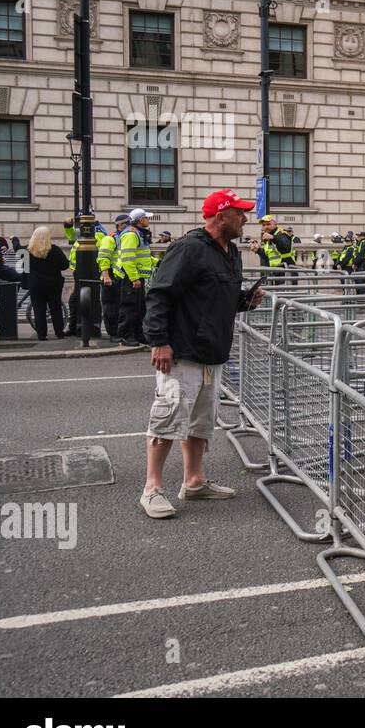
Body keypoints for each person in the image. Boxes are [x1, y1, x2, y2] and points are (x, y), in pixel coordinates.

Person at [139, 189, 266, 519]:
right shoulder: (189, 248)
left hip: (212, 351)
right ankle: (152, 488)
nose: (245, 218)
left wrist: (244, 301)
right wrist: (159, 341)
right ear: (220, 216)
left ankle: (194, 481)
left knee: (200, 422)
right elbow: (159, 295)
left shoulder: (230, 252)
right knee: (167, 419)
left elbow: (216, 297)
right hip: (182, 351)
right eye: (239, 213)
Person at [25, 226, 70, 340]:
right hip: (53, 284)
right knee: (56, 308)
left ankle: (41, 335)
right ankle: (59, 333)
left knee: (38, 309)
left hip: (35, 284)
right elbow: (65, 265)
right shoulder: (55, 250)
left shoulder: (28, 251)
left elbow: (24, 268)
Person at [117, 209, 154, 346]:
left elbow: (142, 257)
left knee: (138, 307)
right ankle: (125, 336)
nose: (148, 220)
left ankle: (138, 335)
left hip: (136, 276)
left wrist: (159, 262)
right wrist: (134, 278)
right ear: (140, 220)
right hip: (130, 277)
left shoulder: (138, 234)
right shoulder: (131, 234)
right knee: (129, 307)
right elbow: (128, 259)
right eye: (146, 218)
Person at [98, 213, 129, 342]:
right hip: (110, 276)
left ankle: (120, 332)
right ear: (121, 225)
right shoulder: (109, 239)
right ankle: (113, 334)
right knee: (111, 308)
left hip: (120, 276)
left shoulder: (125, 238)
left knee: (121, 306)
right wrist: (106, 276)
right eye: (128, 224)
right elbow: (103, 258)